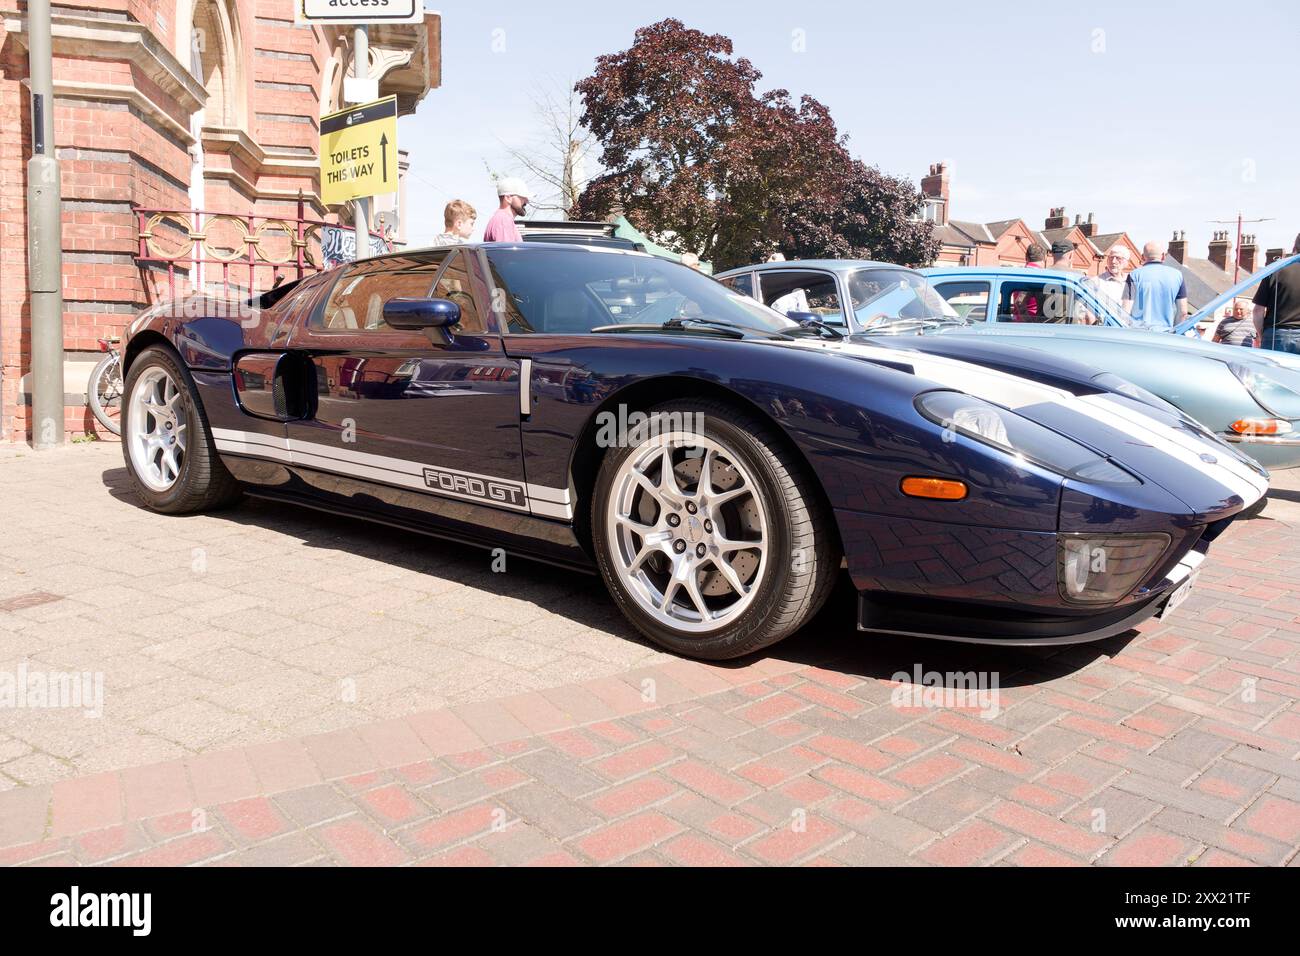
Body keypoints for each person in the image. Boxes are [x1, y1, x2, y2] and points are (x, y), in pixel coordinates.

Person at [1122, 240, 1188, 328]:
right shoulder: (1177, 275)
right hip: (1166, 335)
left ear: (1142, 257)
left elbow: (1125, 311)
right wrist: (1174, 332)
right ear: (1164, 256)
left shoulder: (1134, 275)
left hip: (1139, 335)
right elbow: (1183, 312)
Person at [1253, 233, 1300, 353]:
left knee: (1270, 372)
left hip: (1275, 334)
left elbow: (1258, 310)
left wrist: (1261, 334)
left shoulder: (1275, 270)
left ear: (1294, 249)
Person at [482, 176, 530, 243]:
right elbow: (506, 253)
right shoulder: (503, 220)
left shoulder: (502, 219)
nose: (526, 201)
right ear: (508, 198)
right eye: (522, 197)